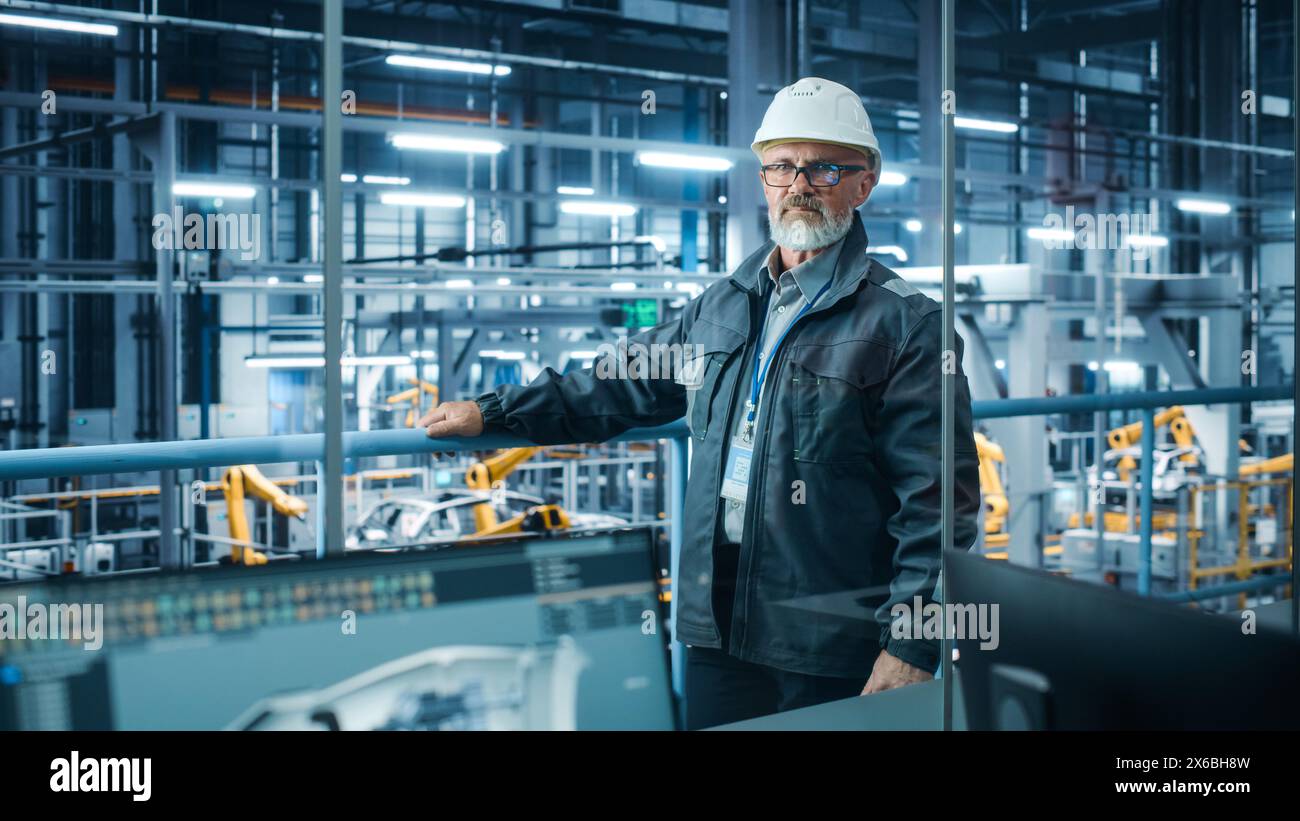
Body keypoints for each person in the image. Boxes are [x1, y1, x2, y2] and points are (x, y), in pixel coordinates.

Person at [419, 77, 981, 730]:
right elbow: (617, 382)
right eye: (780, 165)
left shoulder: (906, 325)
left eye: (824, 167)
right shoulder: (722, 305)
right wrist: (496, 410)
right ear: (762, 178)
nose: (798, 183)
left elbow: (939, 505)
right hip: (715, 631)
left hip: (831, 640)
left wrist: (912, 642)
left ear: (865, 182)